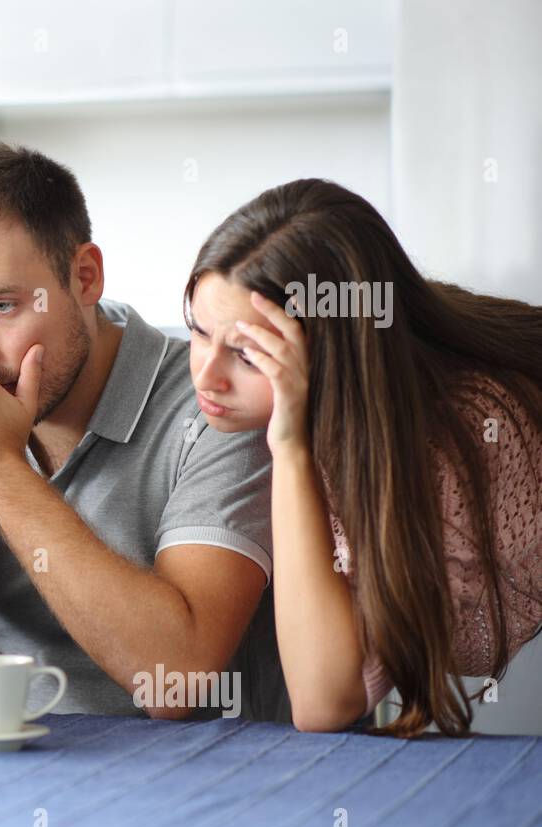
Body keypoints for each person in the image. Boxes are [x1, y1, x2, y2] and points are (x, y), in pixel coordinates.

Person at [0, 143, 288, 722]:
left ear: (85, 277)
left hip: (212, 782)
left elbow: (176, 682)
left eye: (1, 306)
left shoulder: (218, 402)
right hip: (17, 769)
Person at [183, 177, 542, 735]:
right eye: (198, 332)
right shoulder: (373, 377)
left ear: (337, 356)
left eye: (248, 357)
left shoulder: (448, 444)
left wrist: (290, 447)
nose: (205, 377)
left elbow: (324, 702)